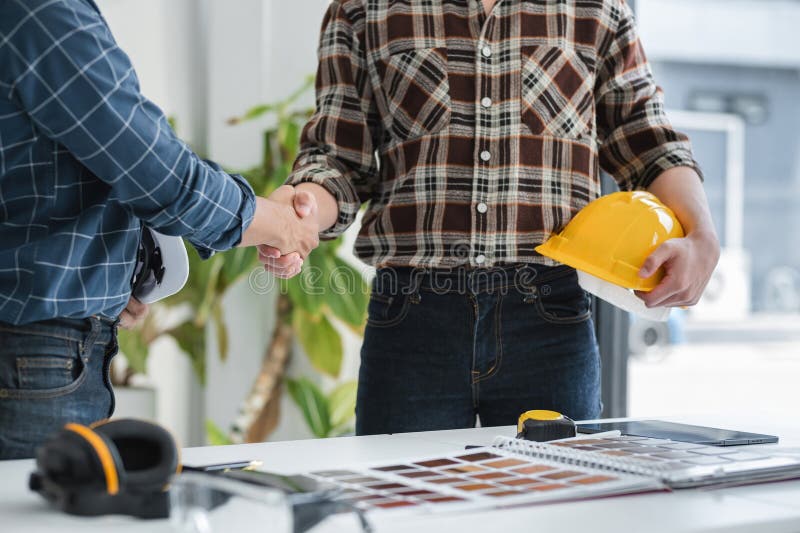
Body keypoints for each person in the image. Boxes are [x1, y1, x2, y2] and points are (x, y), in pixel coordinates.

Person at [260, 0, 720, 434]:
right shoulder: (362, 9)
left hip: (549, 319)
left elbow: (648, 140)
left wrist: (701, 234)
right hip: (412, 319)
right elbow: (338, 158)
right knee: (406, 511)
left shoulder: (597, 8)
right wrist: (299, 212)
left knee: (553, 512)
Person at [0, 0, 318, 459]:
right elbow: (156, 170)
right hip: (33, 361)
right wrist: (278, 224)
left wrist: (103, 279)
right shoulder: (42, 11)